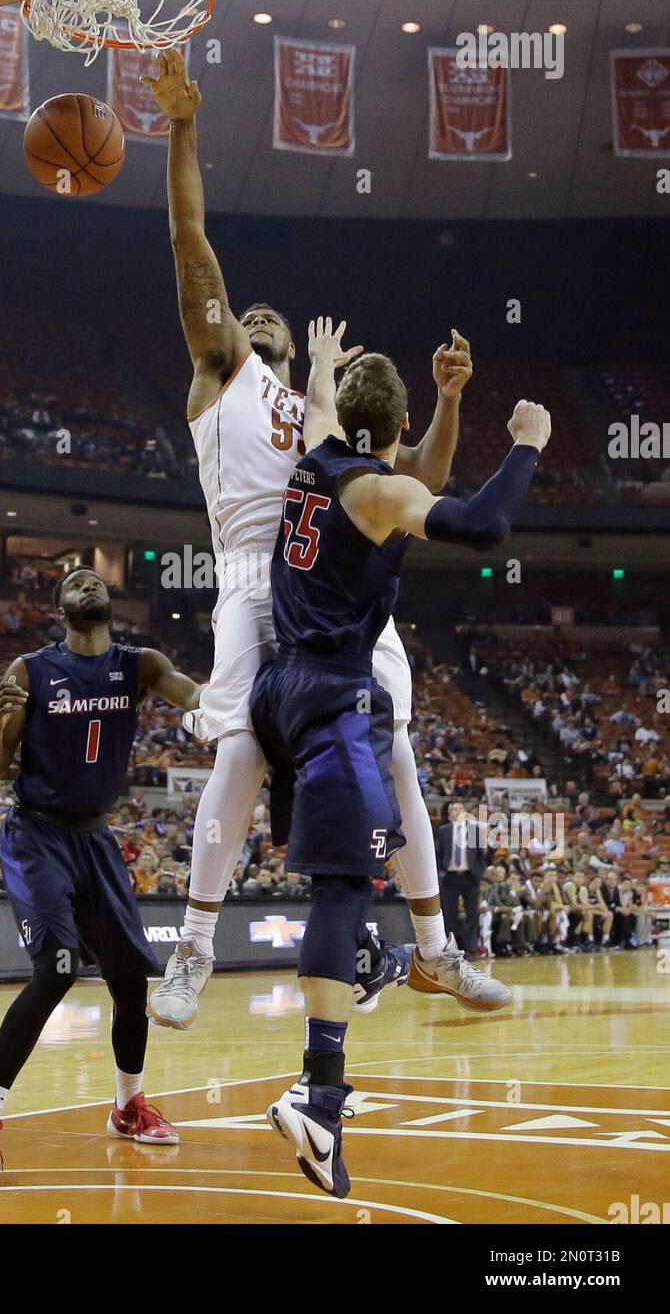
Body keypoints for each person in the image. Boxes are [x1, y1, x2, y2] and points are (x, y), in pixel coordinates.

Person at [143, 49, 507, 1030]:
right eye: (246, 311)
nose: (253, 313)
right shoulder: (220, 369)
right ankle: (189, 945)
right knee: (238, 755)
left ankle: (434, 952)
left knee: (397, 756)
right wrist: (182, 124)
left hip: (334, 584)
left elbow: (416, 486)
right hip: (255, 581)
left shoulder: (329, 426)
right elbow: (189, 241)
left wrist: (443, 399)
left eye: (269, 314)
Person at [248, 361, 550, 1196]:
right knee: (342, 887)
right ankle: (319, 1091)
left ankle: (378, 962)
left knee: (364, 860)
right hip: (335, 694)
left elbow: (320, 418)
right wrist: (525, 445)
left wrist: (320, 370)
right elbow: (483, 525)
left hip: (279, 689)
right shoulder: (377, 493)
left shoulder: (314, 461)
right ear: (391, 434)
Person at [0, 568, 205, 1181]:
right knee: (57, 967)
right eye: (74, 581)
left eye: (94, 578)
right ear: (60, 607)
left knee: (130, 980)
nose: (86, 582)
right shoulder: (29, 671)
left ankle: (128, 1108)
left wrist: (252, 687)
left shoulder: (139, 665)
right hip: (37, 834)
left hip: (95, 836)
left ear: (110, 601)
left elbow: (196, 697)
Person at [437, 801, 488, 957]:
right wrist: (441, 872)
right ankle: (452, 949)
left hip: (469, 876)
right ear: (449, 814)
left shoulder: (474, 831)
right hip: (450, 877)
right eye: (453, 809)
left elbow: (481, 855)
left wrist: (479, 872)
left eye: (459, 808)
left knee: (471, 914)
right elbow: (439, 854)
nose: (456, 811)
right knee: (449, 914)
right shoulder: (443, 830)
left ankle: (471, 949)